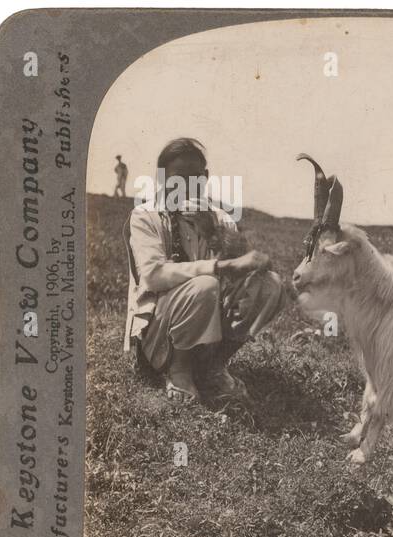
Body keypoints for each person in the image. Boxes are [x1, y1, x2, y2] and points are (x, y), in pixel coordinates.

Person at [122, 138, 287, 403]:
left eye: (195, 178)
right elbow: (153, 276)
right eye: (178, 178)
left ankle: (214, 366)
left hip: (208, 325)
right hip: (159, 335)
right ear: (162, 179)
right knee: (205, 284)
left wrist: (212, 232)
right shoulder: (146, 216)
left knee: (270, 285)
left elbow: (245, 270)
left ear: (206, 178)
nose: (187, 187)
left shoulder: (218, 217)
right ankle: (179, 371)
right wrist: (217, 267)